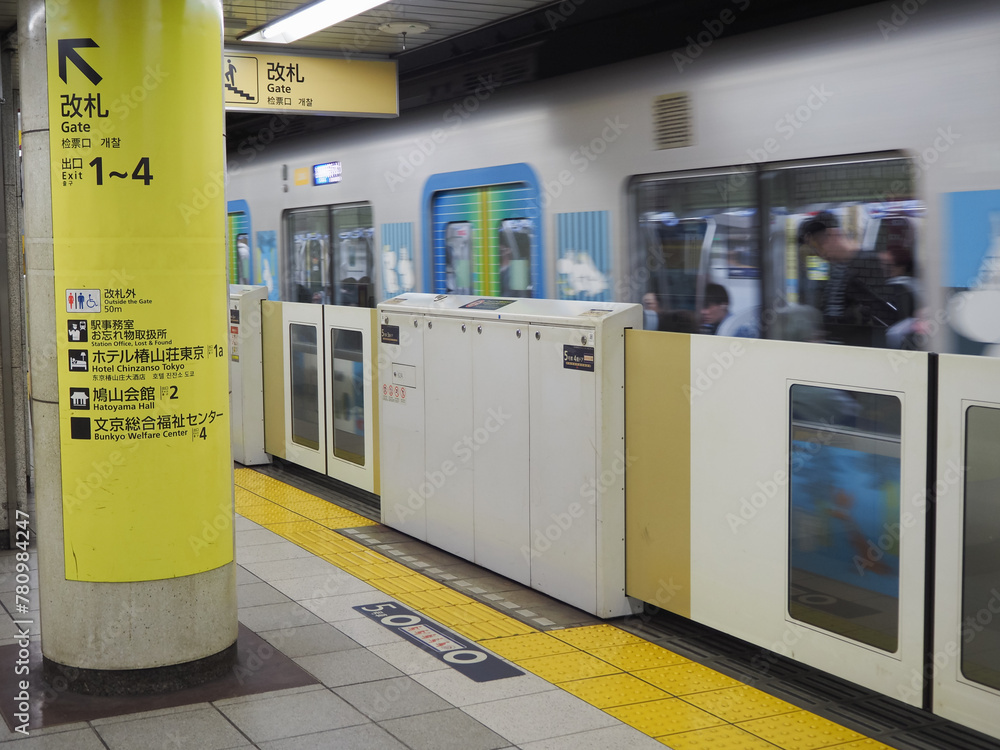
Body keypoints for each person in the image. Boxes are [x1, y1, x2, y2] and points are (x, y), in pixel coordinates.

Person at [797, 211, 897, 346]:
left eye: (819, 246)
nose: (820, 254)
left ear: (832, 235)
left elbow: (880, 315)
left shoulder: (867, 263)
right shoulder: (835, 268)